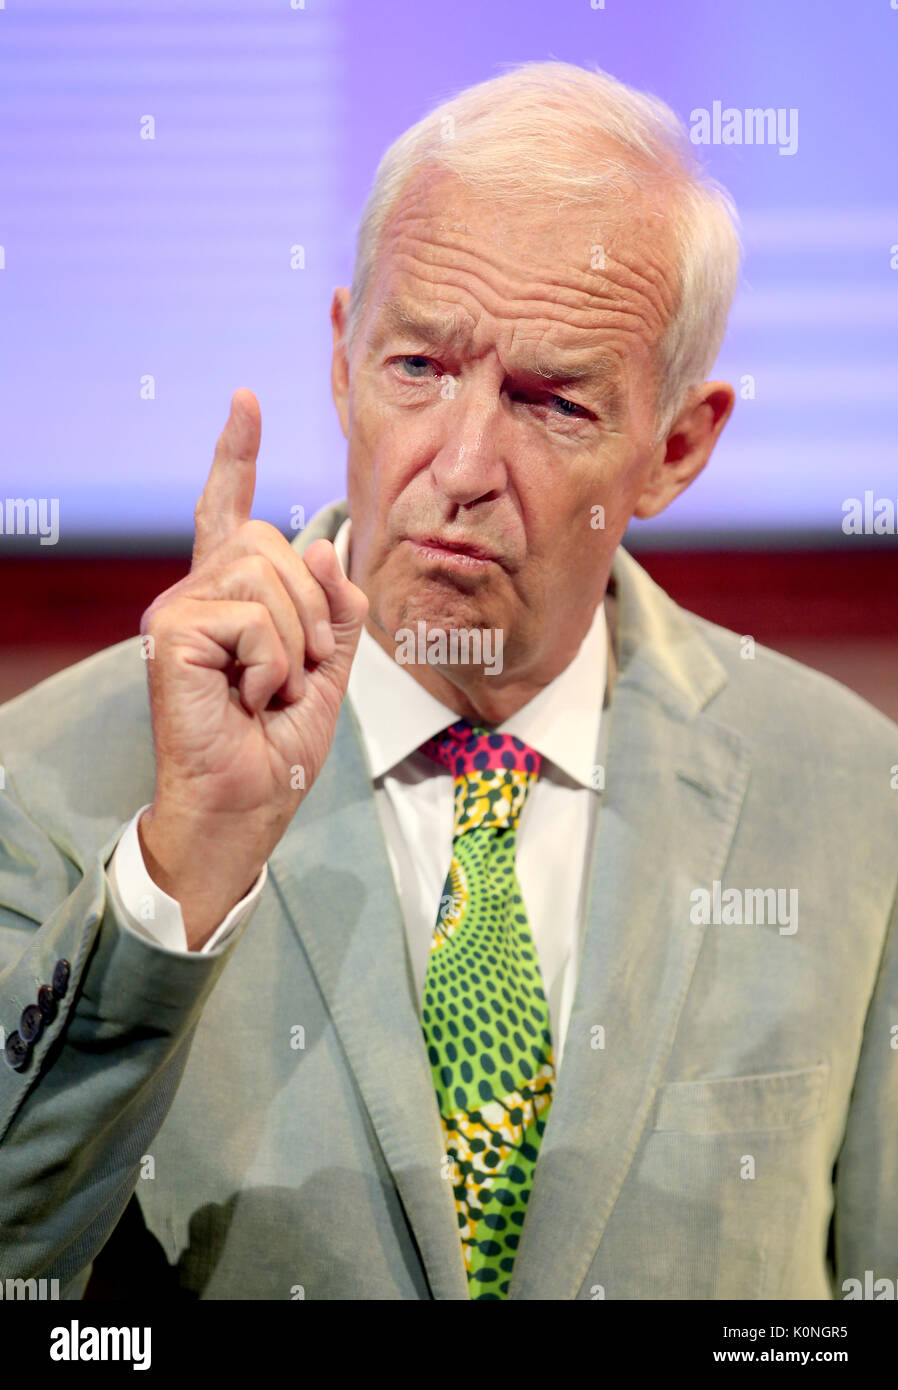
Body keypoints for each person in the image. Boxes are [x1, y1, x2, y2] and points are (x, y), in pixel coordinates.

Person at [1, 60, 896, 1302]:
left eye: (550, 400)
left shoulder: (851, 795)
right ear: (341, 358)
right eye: (418, 366)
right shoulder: (47, 771)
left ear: (677, 447)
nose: (463, 466)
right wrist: (181, 870)